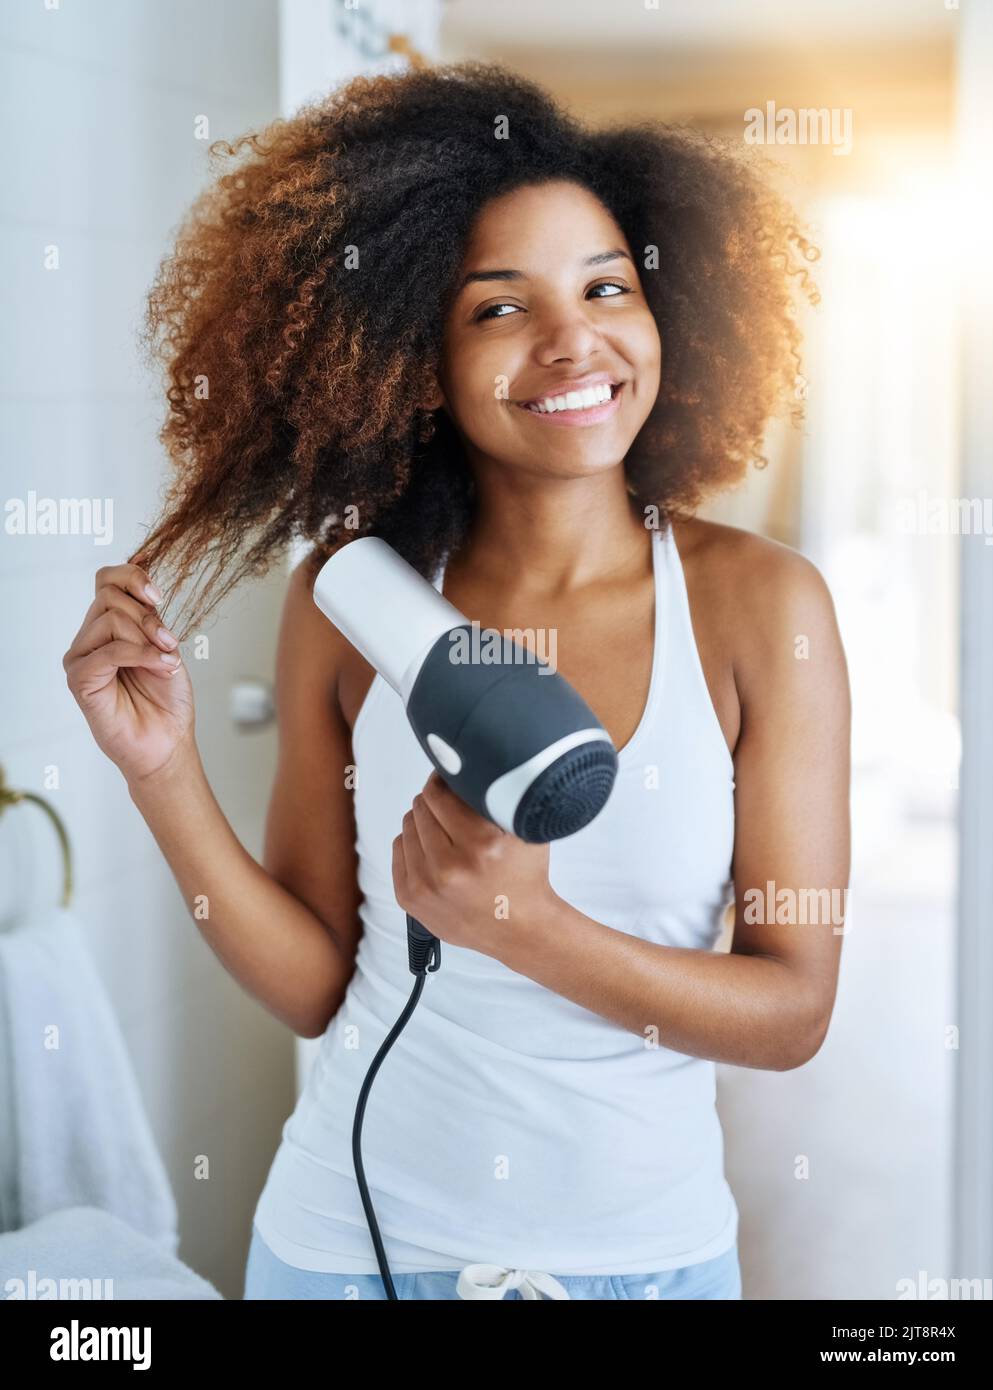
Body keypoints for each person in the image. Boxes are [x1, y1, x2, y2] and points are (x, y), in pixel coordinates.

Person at [62, 62, 850, 1301]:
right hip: (349, 1251)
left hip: (643, 1265)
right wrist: (161, 775)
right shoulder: (359, 598)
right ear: (410, 355)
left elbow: (792, 1011)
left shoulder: (763, 607)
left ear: (667, 318)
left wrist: (530, 931)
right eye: (499, 308)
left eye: (607, 288)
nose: (571, 340)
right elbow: (318, 984)